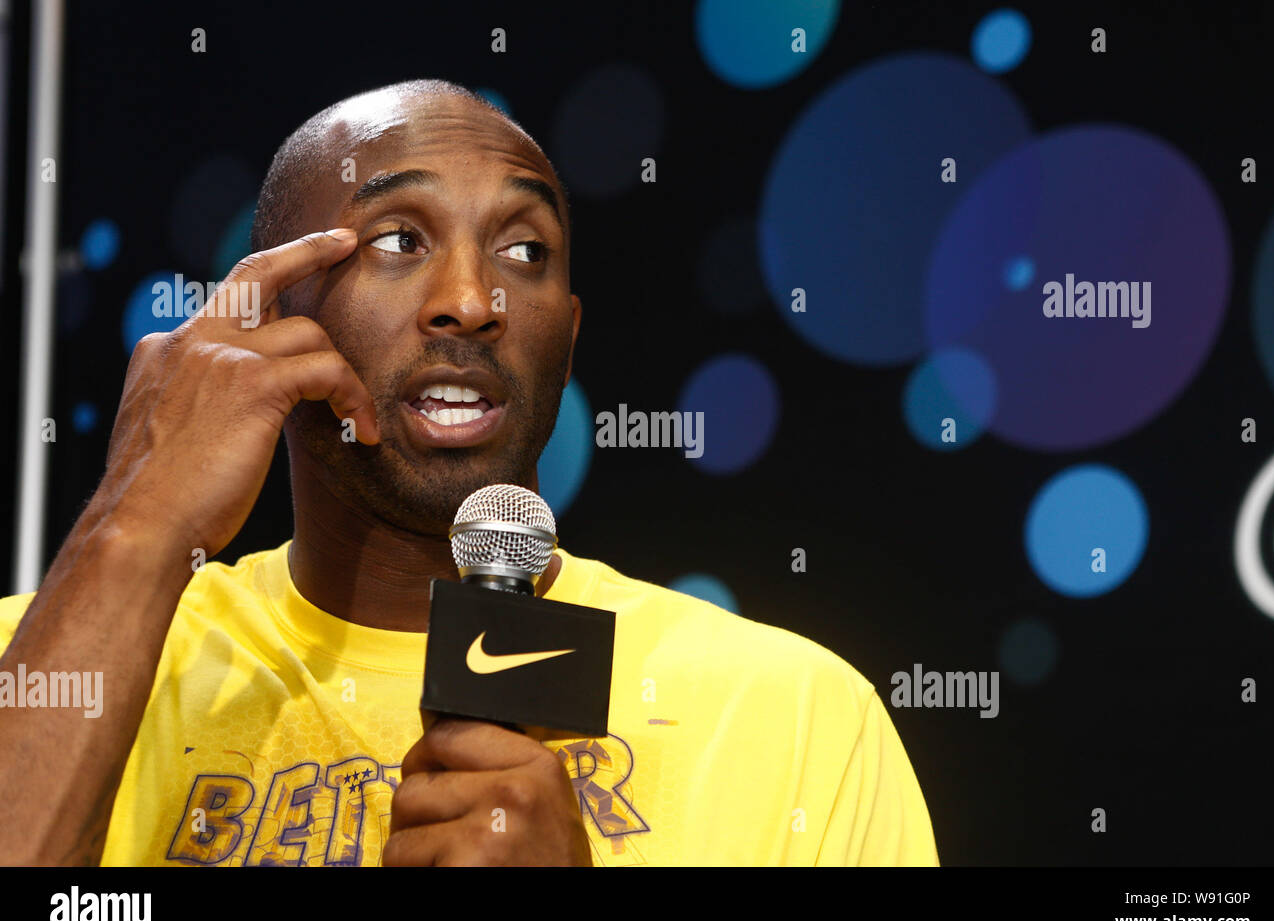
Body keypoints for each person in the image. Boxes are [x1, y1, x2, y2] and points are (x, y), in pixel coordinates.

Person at [0, 79, 939, 867]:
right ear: (270, 316)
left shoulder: (798, 717)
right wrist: (141, 519)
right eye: (399, 240)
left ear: (564, 344)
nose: (471, 301)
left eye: (521, 251)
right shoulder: (40, 657)